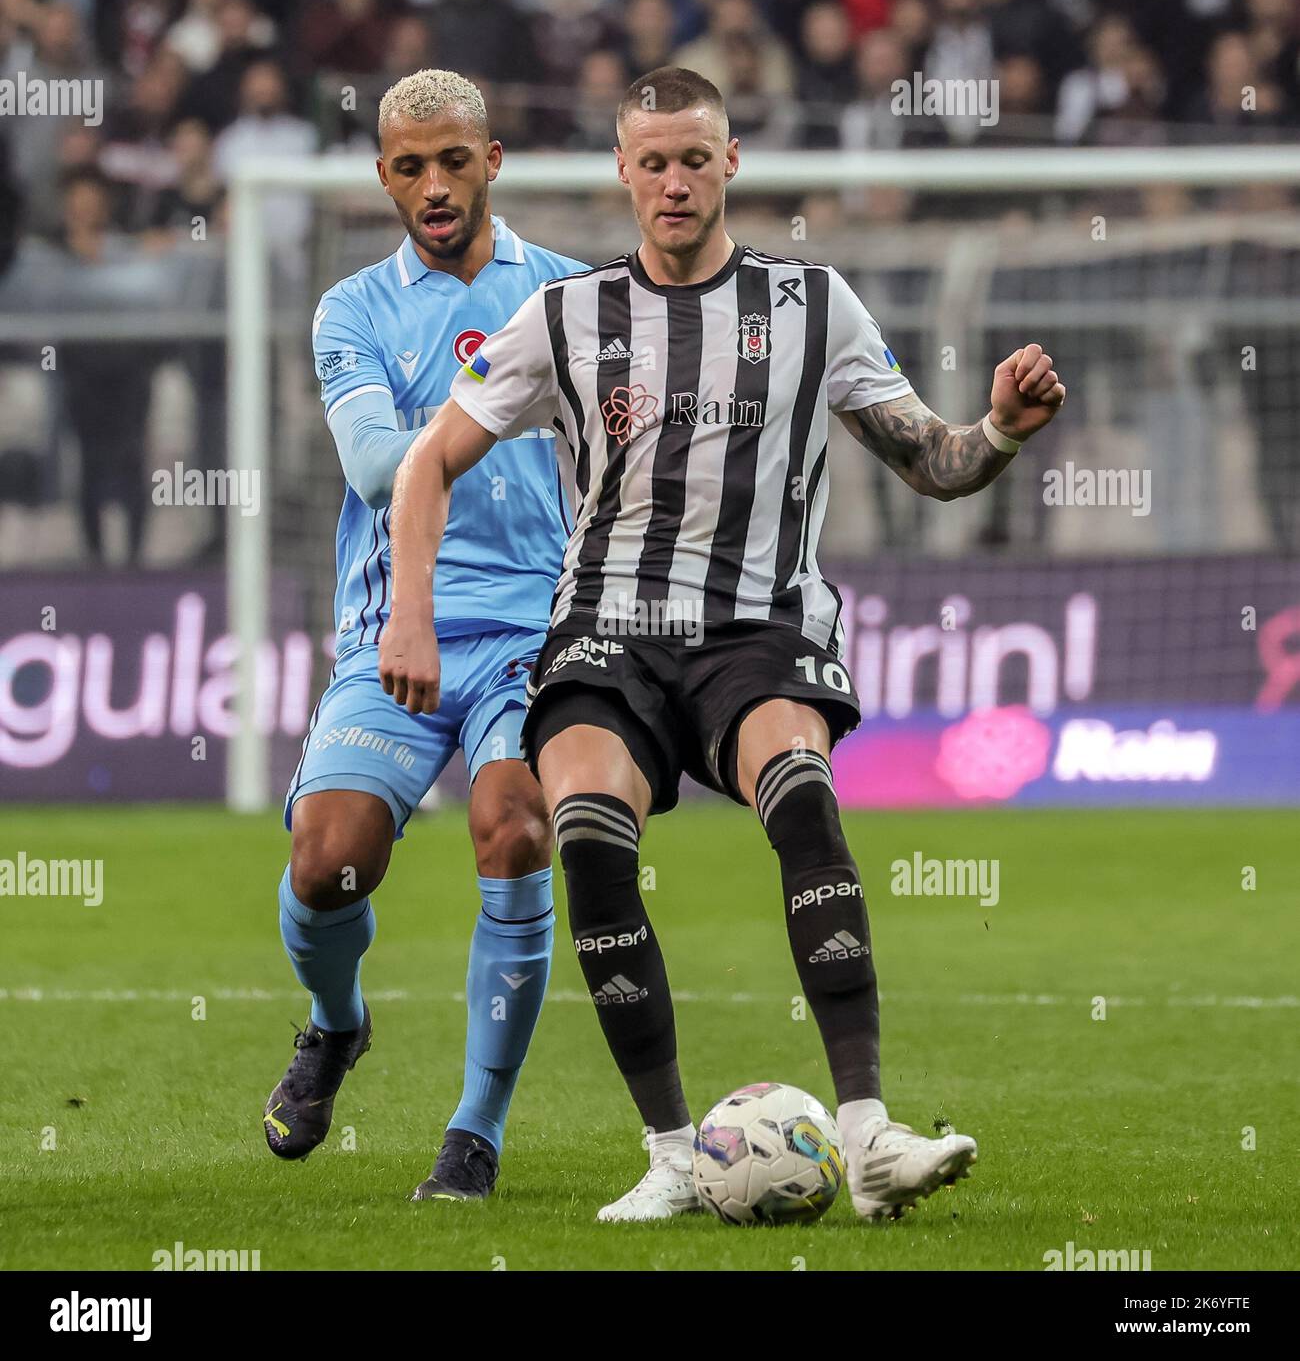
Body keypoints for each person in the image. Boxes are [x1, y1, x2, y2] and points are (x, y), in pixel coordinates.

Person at [379, 67, 1065, 1222]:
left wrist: (997, 427)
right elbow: (424, 461)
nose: (674, 181)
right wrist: (408, 610)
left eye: (694, 158)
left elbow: (934, 463)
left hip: (755, 627)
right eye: (651, 162)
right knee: (588, 832)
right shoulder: (562, 316)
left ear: (731, 161)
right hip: (607, 632)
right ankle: (669, 1154)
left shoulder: (813, 303)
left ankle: (868, 1135)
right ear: (622, 173)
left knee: (798, 787)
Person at [262, 69, 583, 1203]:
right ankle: (335, 1024)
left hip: (532, 629)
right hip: (392, 625)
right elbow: (368, 467)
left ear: (493, 160)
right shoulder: (350, 308)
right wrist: (496, 400)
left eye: (455, 160)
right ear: (383, 177)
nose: (436, 186)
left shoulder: (567, 297)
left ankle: (473, 1133)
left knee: (513, 831)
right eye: (411, 166)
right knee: (329, 860)